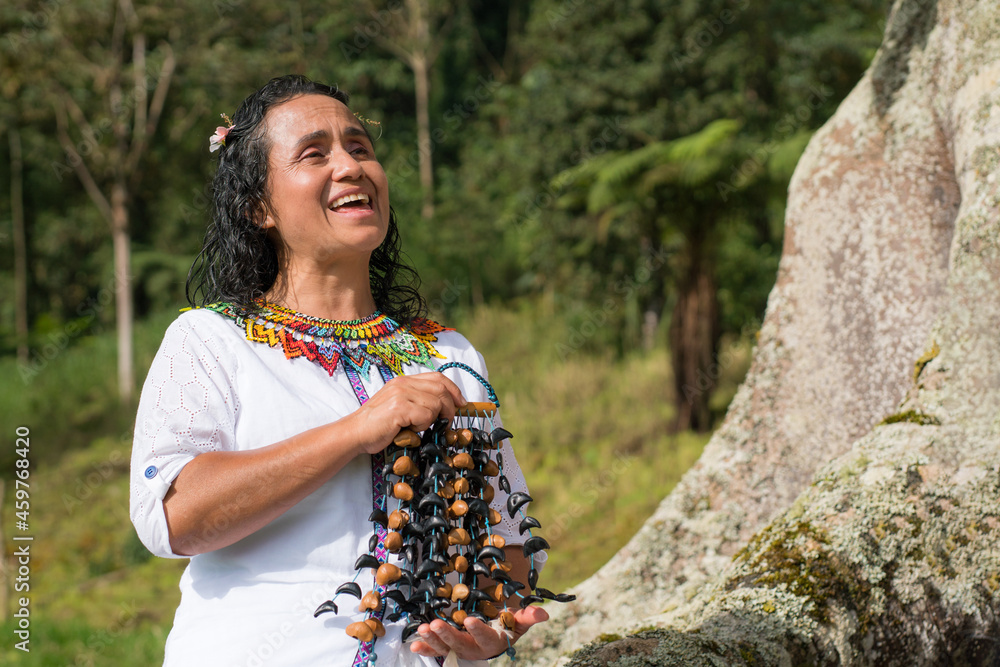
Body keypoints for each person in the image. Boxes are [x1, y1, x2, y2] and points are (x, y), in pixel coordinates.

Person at [129, 74, 548, 666]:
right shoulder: (210, 340)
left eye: (360, 148)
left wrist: (495, 623)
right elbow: (172, 518)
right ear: (257, 207)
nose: (351, 167)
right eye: (314, 154)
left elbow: (505, 541)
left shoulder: (450, 355)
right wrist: (355, 431)